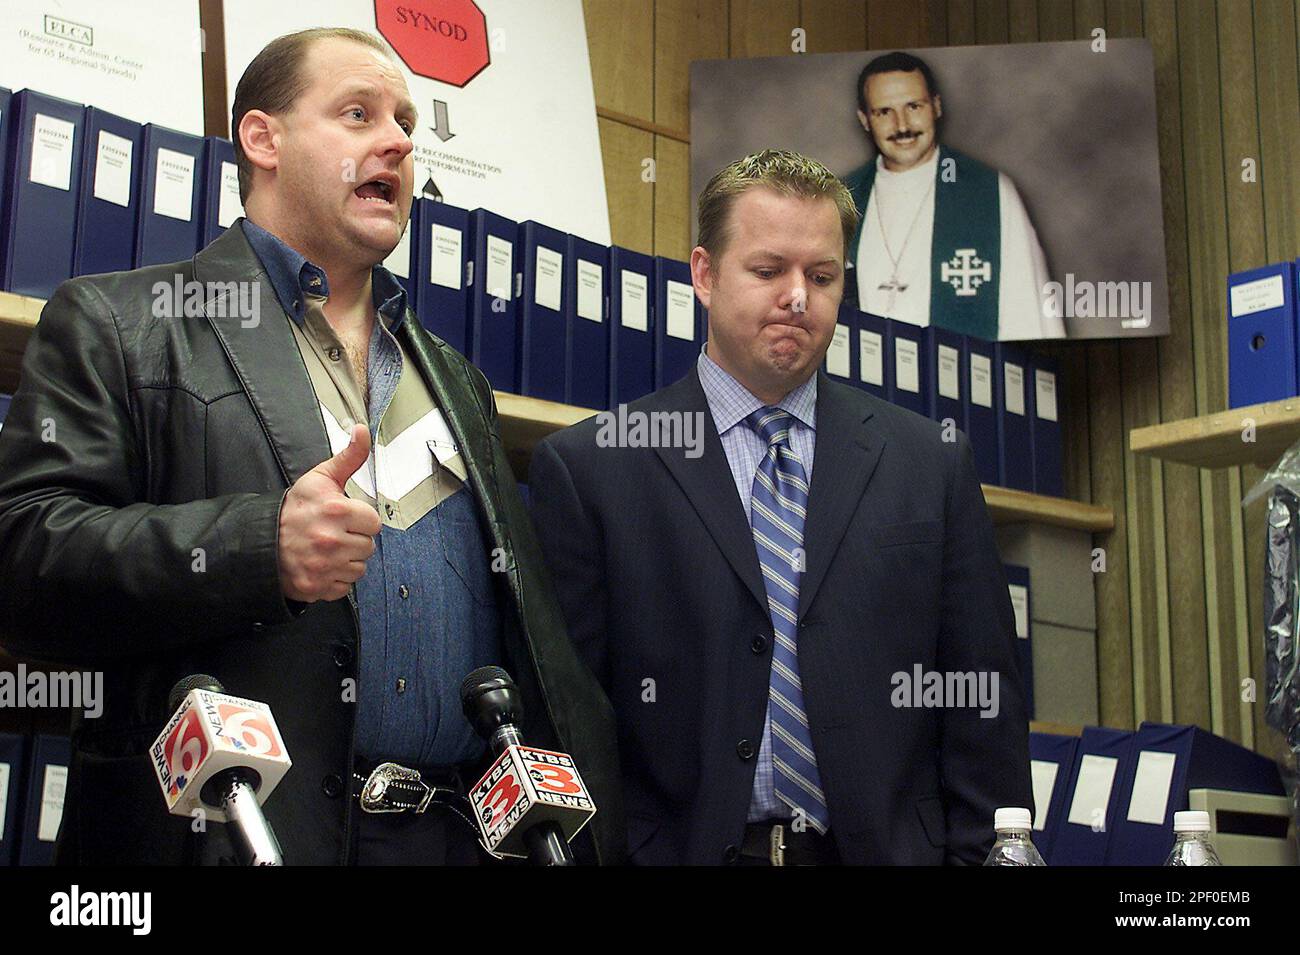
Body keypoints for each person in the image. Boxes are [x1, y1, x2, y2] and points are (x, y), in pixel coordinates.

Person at [0, 27, 622, 866]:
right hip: (235, 837)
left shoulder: (457, 380)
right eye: (359, 113)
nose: (399, 140)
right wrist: (259, 548)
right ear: (263, 139)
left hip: (456, 840)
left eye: (405, 121)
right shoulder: (122, 323)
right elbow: (23, 559)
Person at [529, 149, 1032, 865]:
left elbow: (986, 703)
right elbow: (570, 721)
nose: (798, 296)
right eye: (768, 271)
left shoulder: (931, 464)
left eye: (822, 276)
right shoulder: (592, 470)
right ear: (704, 274)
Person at [844, 51, 1064, 340]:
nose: (901, 125)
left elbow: (1029, 317)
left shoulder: (990, 193)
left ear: (936, 106)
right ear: (865, 119)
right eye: (884, 112)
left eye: (914, 106)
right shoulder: (843, 198)